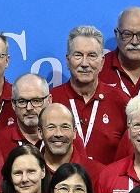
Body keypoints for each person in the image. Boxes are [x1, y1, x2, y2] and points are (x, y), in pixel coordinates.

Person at [51, 25, 128, 163]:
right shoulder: (51, 101)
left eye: (92, 55)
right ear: (68, 61)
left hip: (107, 184)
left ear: (102, 62)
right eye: (78, 55)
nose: (85, 63)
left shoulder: (121, 101)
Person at [0, 73, 53, 162]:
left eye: (36, 101)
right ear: (13, 104)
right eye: (22, 101)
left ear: (49, 100)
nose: (29, 108)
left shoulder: (63, 136)